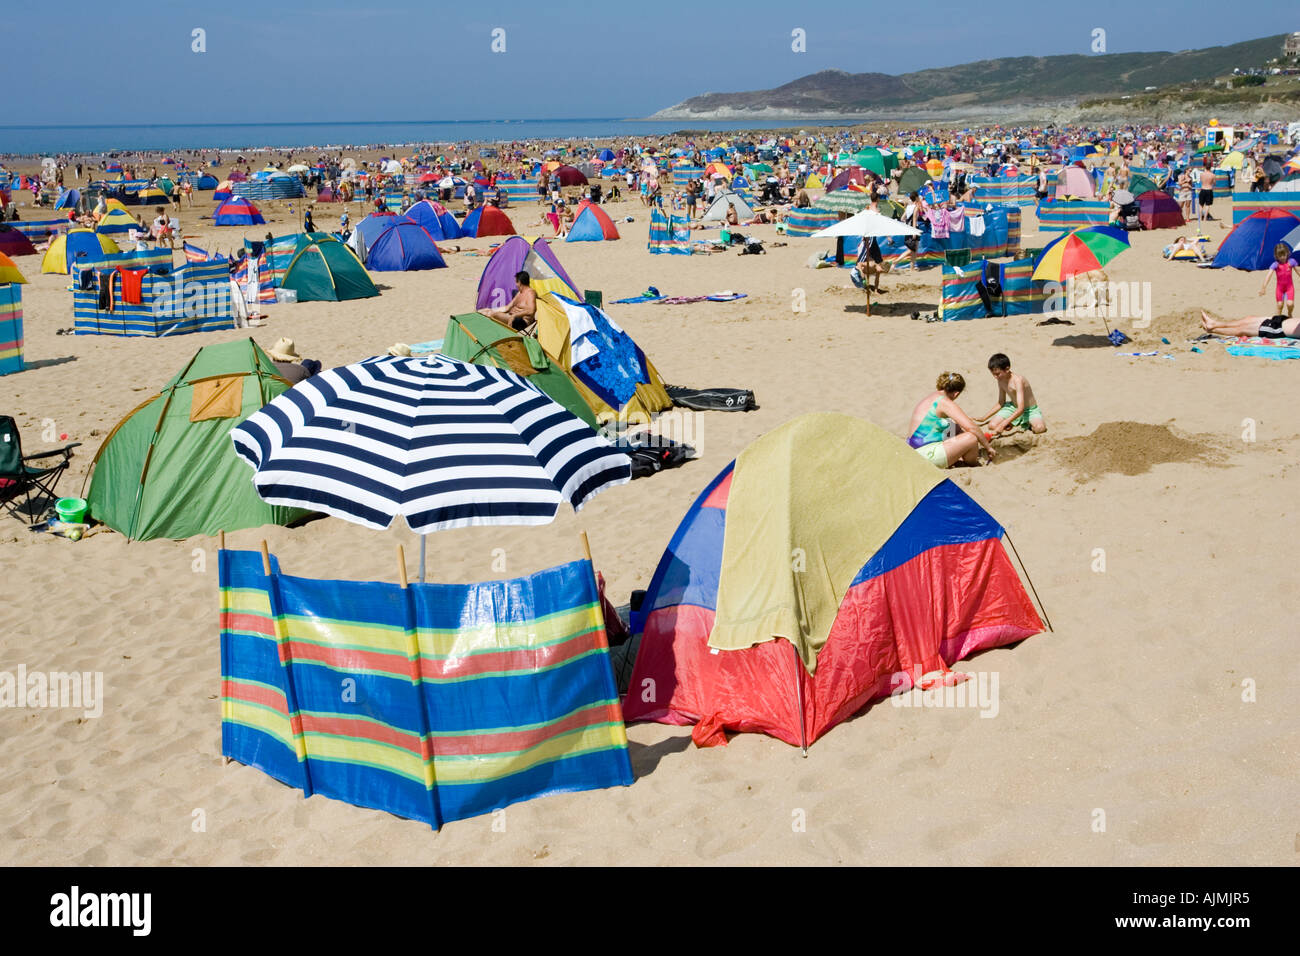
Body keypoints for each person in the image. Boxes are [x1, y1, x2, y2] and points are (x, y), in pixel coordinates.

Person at [907, 372, 995, 468]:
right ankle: (973, 465)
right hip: (926, 455)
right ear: (956, 393)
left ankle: (958, 454)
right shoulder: (944, 402)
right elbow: (971, 427)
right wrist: (988, 447)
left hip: (911, 449)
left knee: (953, 425)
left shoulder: (932, 396)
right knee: (971, 438)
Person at [978, 353, 1046, 436]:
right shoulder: (1000, 380)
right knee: (992, 426)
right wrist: (984, 418)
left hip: (1029, 410)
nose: (995, 377)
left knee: (1040, 428)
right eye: (993, 374)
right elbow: (1001, 402)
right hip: (1013, 407)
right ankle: (1014, 422)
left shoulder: (1018, 380)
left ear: (1007, 369)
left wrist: (1003, 425)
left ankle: (1022, 423)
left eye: (998, 374)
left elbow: (1021, 409)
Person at [1200, 309, 1300, 339]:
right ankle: (1214, 323)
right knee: (1249, 319)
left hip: (1278, 330)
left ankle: (1212, 329)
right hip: (1282, 320)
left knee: (1243, 329)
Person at [1259, 243, 1298, 318]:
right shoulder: (1275, 264)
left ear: (1287, 253)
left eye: (1284, 255)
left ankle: (1290, 314)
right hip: (1280, 289)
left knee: (1290, 304)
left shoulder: (1291, 262)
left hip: (1289, 288)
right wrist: (1263, 287)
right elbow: (1268, 276)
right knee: (1279, 305)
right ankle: (1278, 319)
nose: (1282, 257)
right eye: (1280, 256)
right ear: (1276, 256)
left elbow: (1298, 272)